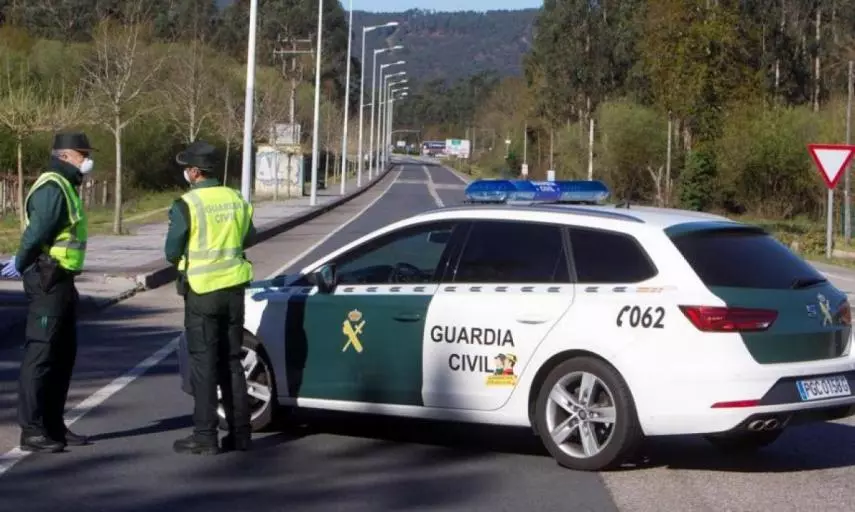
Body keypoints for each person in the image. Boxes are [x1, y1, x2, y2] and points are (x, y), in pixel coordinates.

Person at [1, 132, 94, 453]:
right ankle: (32, 430)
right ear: (65, 155)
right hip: (47, 279)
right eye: (83, 154)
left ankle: (54, 425)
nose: (87, 160)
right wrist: (20, 261)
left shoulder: (65, 185)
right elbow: (38, 231)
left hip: (62, 279)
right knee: (41, 354)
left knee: (62, 355)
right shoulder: (53, 186)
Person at [165, 140, 257, 455]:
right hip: (233, 290)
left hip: (203, 293)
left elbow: (171, 251)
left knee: (203, 366)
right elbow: (250, 236)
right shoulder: (236, 199)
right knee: (232, 362)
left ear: (194, 171)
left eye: (186, 169)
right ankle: (241, 434)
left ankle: (205, 436)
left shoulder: (186, 205)